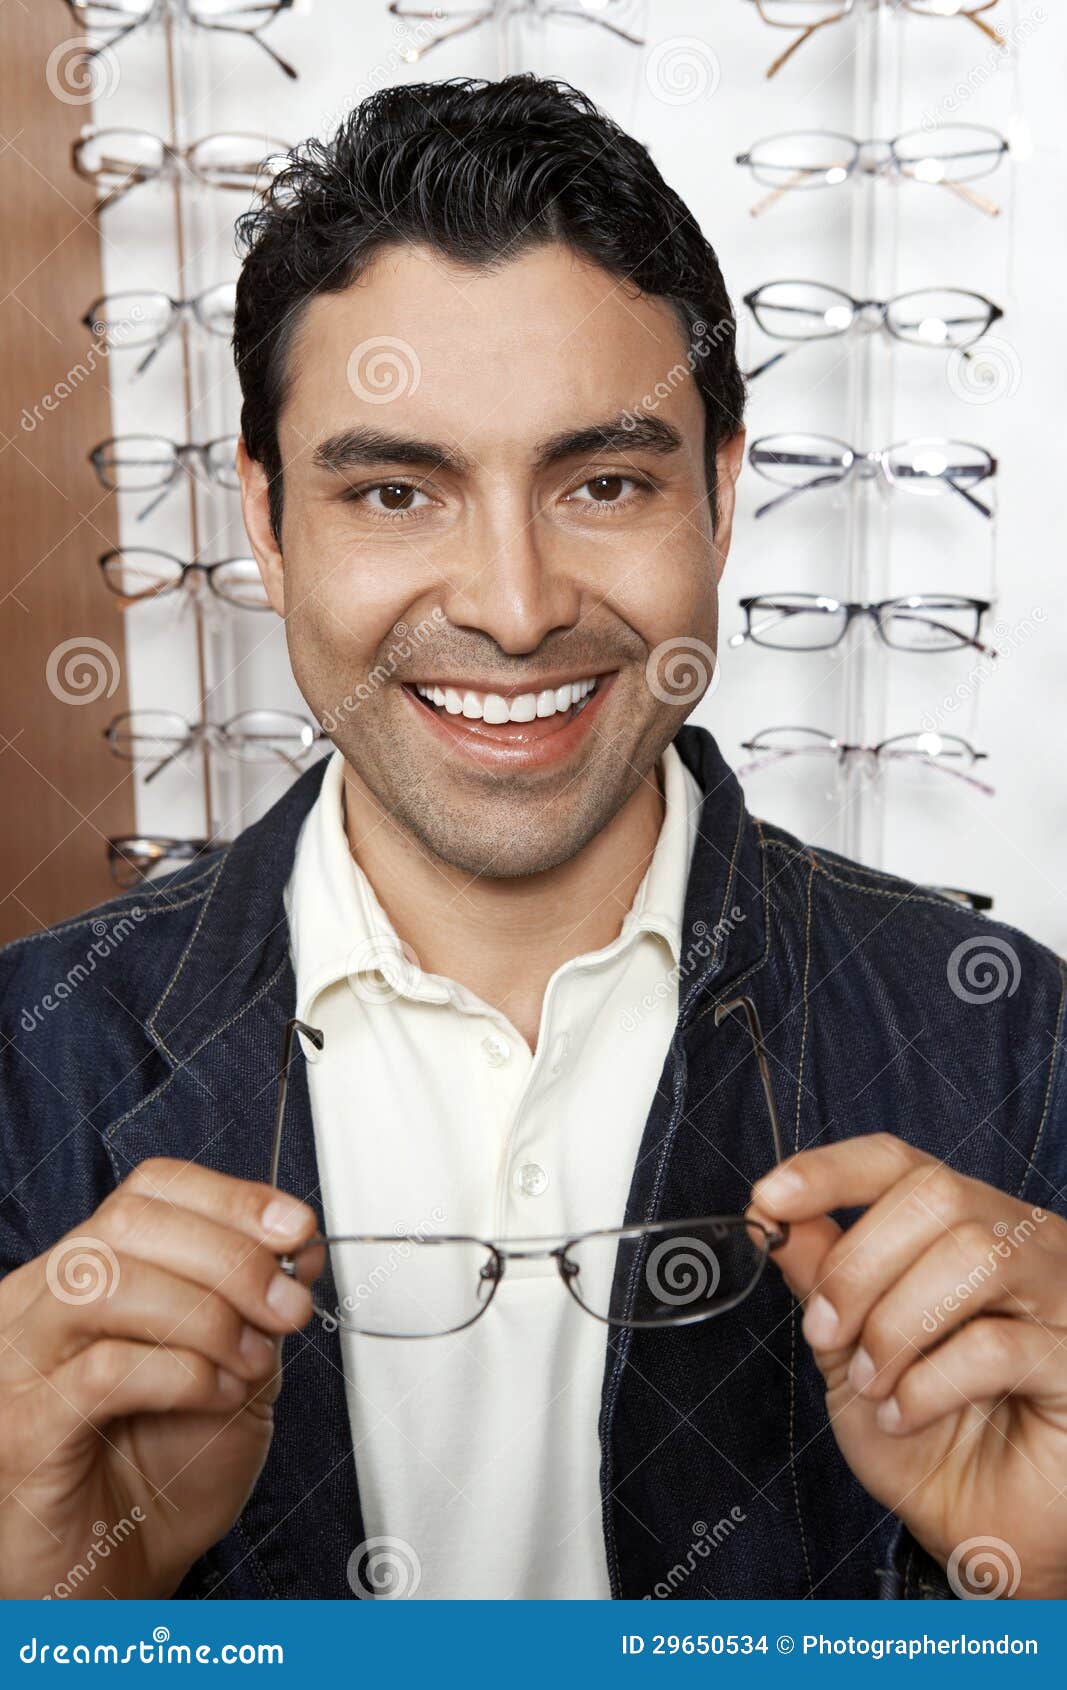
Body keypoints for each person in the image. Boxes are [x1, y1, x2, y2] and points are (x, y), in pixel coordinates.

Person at [1, 76, 1065, 1604]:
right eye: (394, 489)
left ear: (722, 487)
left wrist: (1040, 1606)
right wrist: (44, 1621)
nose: (513, 604)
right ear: (264, 517)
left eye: (607, 481)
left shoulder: (1017, 1050)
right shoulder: (26, 1074)